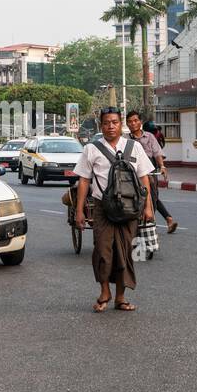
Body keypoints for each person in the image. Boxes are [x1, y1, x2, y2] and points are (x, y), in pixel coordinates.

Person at [72, 107, 155, 312]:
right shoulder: (91, 149)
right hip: (103, 208)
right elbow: (84, 181)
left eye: (115, 122)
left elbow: (144, 178)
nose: (111, 126)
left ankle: (120, 297)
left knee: (125, 252)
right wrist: (80, 210)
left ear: (121, 125)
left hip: (130, 208)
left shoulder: (134, 147)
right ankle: (104, 291)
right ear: (102, 125)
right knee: (102, 249)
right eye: (107, 123)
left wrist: (148, 207)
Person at [126, 110, 178, 234]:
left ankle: (152, 221)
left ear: (140, 122)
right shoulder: (125, 139)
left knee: (152, 196)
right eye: (130, 122)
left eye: (135, 121)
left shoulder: (149, 137)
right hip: (131, 171)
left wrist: (162, 166)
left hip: (149, 169)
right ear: (127, 124)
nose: (133, 124)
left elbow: (157, 153)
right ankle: (167, 219)